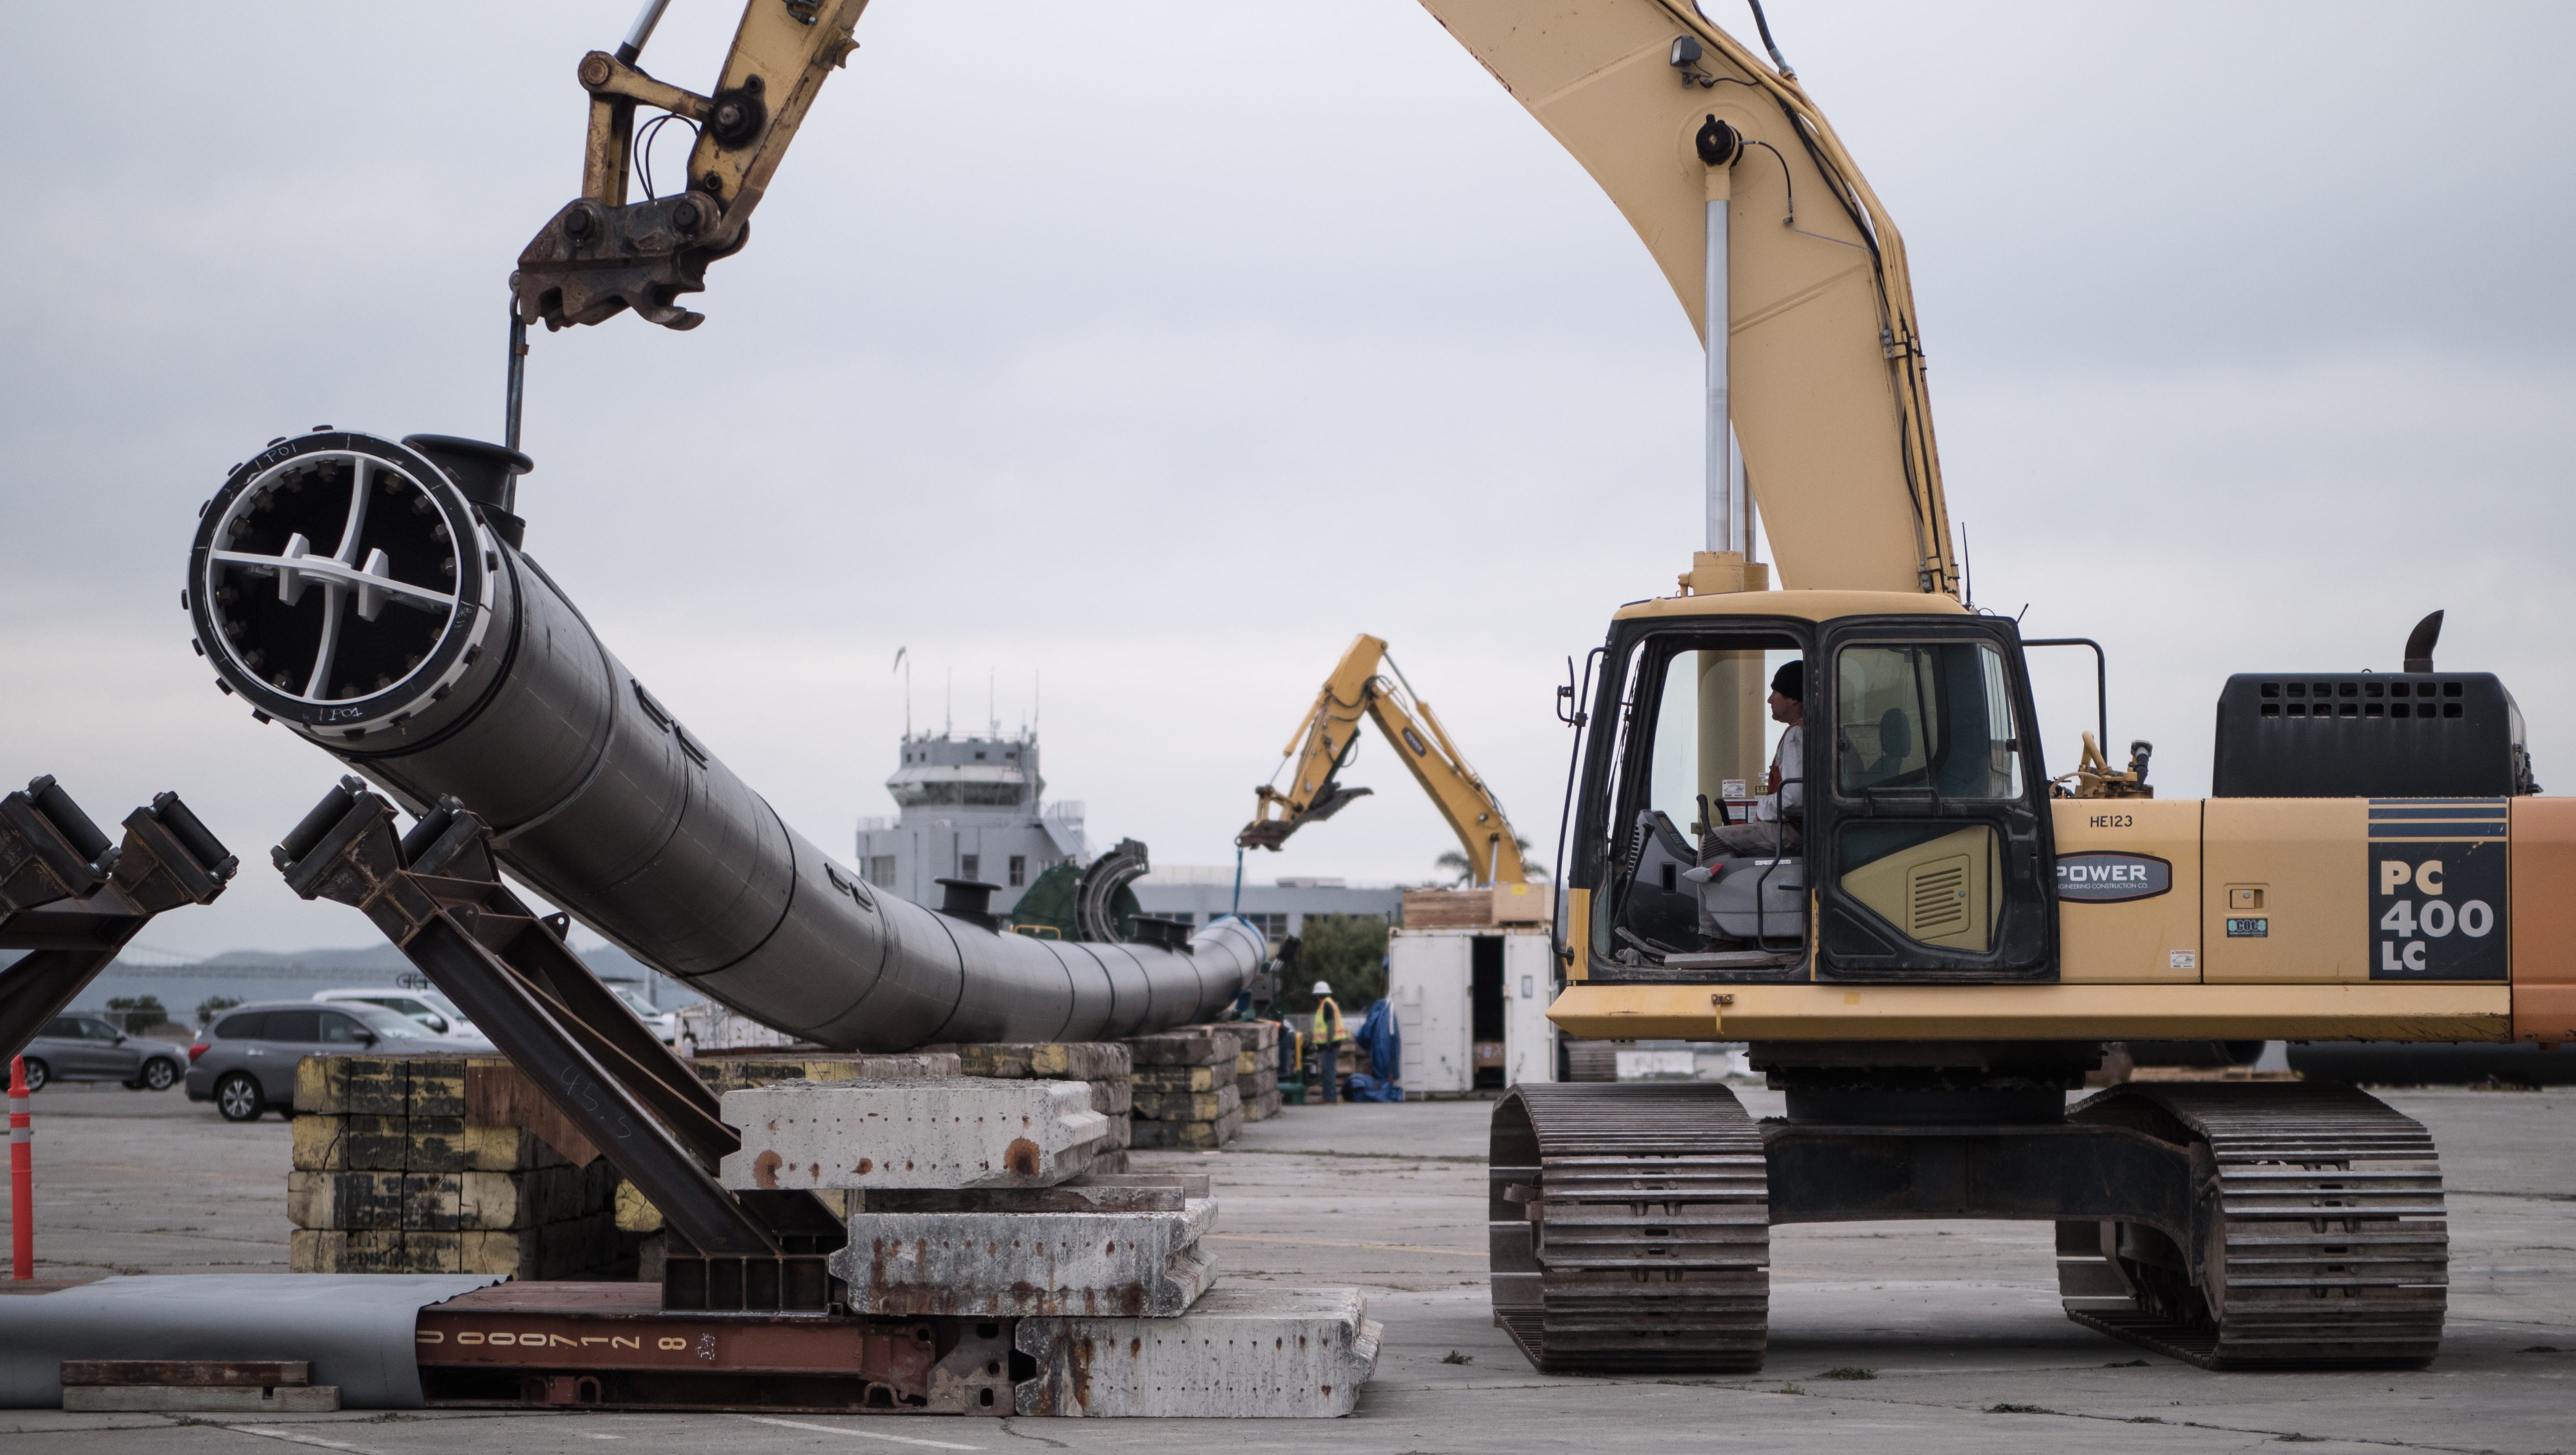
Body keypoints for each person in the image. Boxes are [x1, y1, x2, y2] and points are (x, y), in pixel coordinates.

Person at [1703, 660, 1805, 858]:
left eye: (1775, 692)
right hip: (1805, 829)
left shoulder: (1795, 737)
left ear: (1792, 698)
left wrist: (1762, 808)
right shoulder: (1812, 731)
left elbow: (1794, 798)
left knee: (1712, 840)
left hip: (1795, 831)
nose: (1769, 699)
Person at [1309, 980, 1346, 1103]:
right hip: (1330, 1044)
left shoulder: (1326, 1005)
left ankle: (1329, 1097)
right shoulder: (1330, 1004)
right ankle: (1329, 1096)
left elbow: (1330, 1025)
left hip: (1329, 1045)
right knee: (1328, 1071)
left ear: (1318, 996)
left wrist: (1329, 1042)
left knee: (1328, 1071)